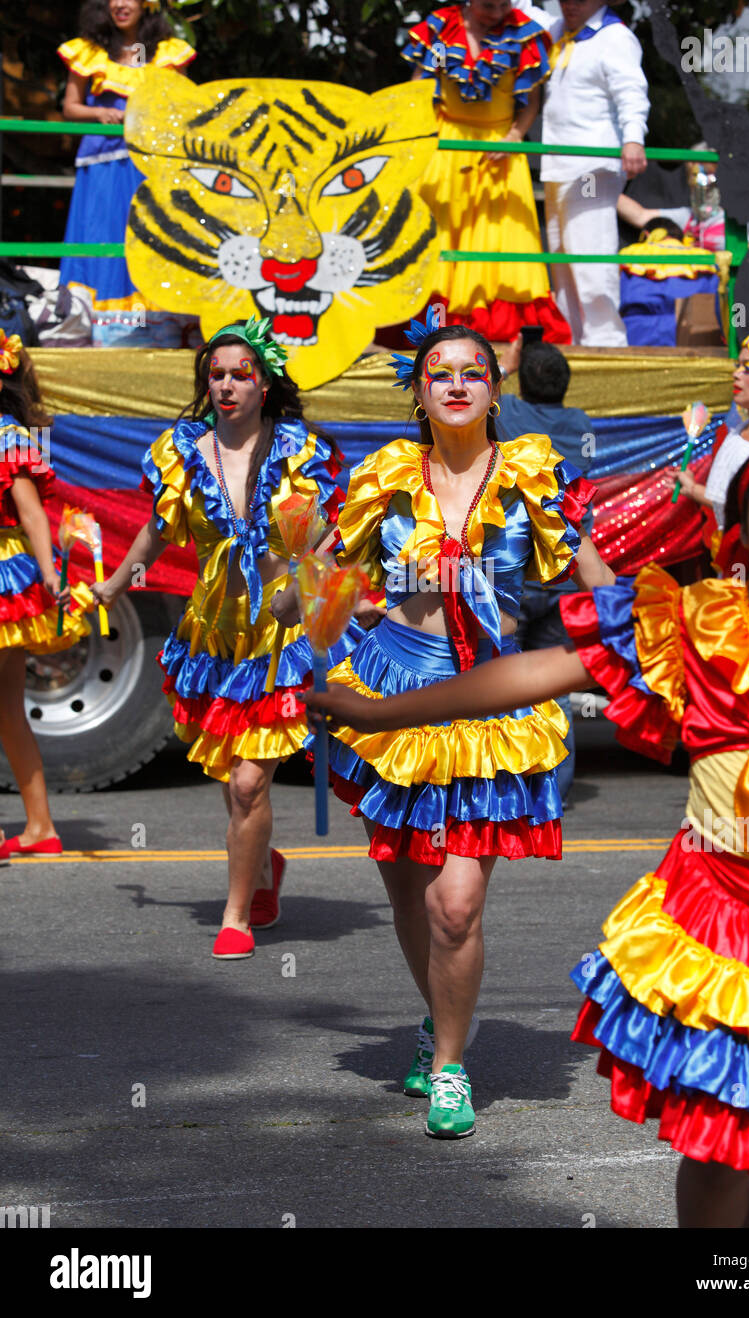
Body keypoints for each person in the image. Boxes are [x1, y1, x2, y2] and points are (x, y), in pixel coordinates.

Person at [306, 405, 749, 1226]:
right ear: (738, 532)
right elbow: (538, 671)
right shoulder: (696, 623)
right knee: (720, 1149)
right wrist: (382, 714)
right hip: (717, 930)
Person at [275, 314, 612, 1139]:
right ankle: (439, 1015)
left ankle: (452, 1066)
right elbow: (321, 587)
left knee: (455, 905)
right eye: (439, 374)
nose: (457, 383)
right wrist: (297, 577)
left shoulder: (532, 474)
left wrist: (636, 642)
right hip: (393, 693)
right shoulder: (387, 476)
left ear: (493, 390)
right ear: (419, 395)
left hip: (489, 700)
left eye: (473, 371)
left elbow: (596, 580)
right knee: (411, 894)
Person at [90, 317, 362, 959]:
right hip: (214, 636)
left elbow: (328, 533)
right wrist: (117, 583)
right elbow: (158, 530)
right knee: (227, 772)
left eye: (242, 374)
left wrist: (335, 587)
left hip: (278, 634)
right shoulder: (184, 451)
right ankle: (264, 868)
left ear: (265, 385)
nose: (228, 385)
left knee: (248, 784)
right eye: (217, 374)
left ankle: (236, 913)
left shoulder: (299, 450)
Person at [403, 0, 570, 342]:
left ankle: (498, 333)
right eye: (487, 4)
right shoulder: (441, 29)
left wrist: (514, 138)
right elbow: (417, 89)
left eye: (503, 3)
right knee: (440, 237)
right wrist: (417, 135)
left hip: (500, 149)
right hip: (445, 146)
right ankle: (431, 330)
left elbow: (531, 103)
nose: (496, 12)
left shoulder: (524, 34)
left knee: (501, 239)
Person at [503, 0, 650, 345]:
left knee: (590, 256)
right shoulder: (559, 33)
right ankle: (572, 344)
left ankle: (606, 345)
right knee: (564, 262)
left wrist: (634, 138)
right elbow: (527, 14)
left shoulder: (615, 38)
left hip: (592, 166)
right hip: (559, 167)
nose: (569, 3)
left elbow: (632, 92)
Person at [58, 0, 195, 346]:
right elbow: (70, 107)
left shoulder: (157, 51)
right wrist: (98, 111)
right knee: (102, 233)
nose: (120, 4)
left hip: (146, 160)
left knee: (143, 234)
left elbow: (184, 105)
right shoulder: (91, 50)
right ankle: (99, 322)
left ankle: (151, 321)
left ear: (145, 4)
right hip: (101, 158)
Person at [0, 331, 92, 862]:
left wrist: (49, 573)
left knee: (7, 707)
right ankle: (39, 827)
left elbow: (33, 512)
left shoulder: (5, 434)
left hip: (5, 574)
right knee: (7, 709)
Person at [496, 335, 595, 801]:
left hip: (513, 576)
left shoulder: (510, 414)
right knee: (555, 686)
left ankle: (509, 779)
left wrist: (508, 365)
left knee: (503, 681)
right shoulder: (581, 423)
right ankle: (556, 786)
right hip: (565, 576)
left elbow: (479, 394)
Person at [665, 330, 749, 559]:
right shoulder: (737, 433)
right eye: (738, 365)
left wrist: (694, 490)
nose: (736, 374)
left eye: (747, 367)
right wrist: (691, 488)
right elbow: (726, 499)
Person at [618, 217, 719, 347]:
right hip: (695, 338)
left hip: (638, 336)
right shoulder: (705, 259)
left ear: (647, 235)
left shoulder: (630, 254)